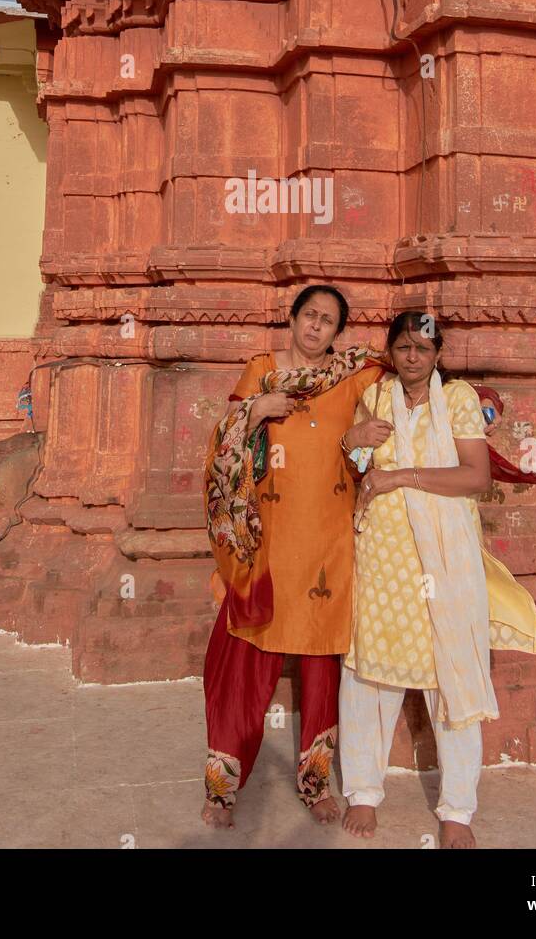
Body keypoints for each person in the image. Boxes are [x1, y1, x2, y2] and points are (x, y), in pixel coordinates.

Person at [338, 312, 536, 848]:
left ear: (437, 355)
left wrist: (402, 477)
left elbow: (476, 475)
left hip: (443, 559)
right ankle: (362, 791)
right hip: (383, 553)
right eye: (403, 347)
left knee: (452, 670)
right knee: (369, 671)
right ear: (391, 350)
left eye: (422, 349)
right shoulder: (377, 398)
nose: (412, 356)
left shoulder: (456, 401)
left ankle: (457, 807)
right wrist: (352, 440)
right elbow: (359, 466)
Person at [202, 285, 385, 828]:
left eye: (328, 321)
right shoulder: (261, 369)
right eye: (309, 315)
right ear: (294, 318)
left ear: (337, 332)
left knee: (322, 669)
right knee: (244, 664)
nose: (316, 327)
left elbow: (410, 387)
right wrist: (256, 410)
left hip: (328, 544)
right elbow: (221, 446)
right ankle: (220, 791)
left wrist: (479, 406)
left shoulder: (354, 376)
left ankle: (315, 783)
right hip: (266, 543)